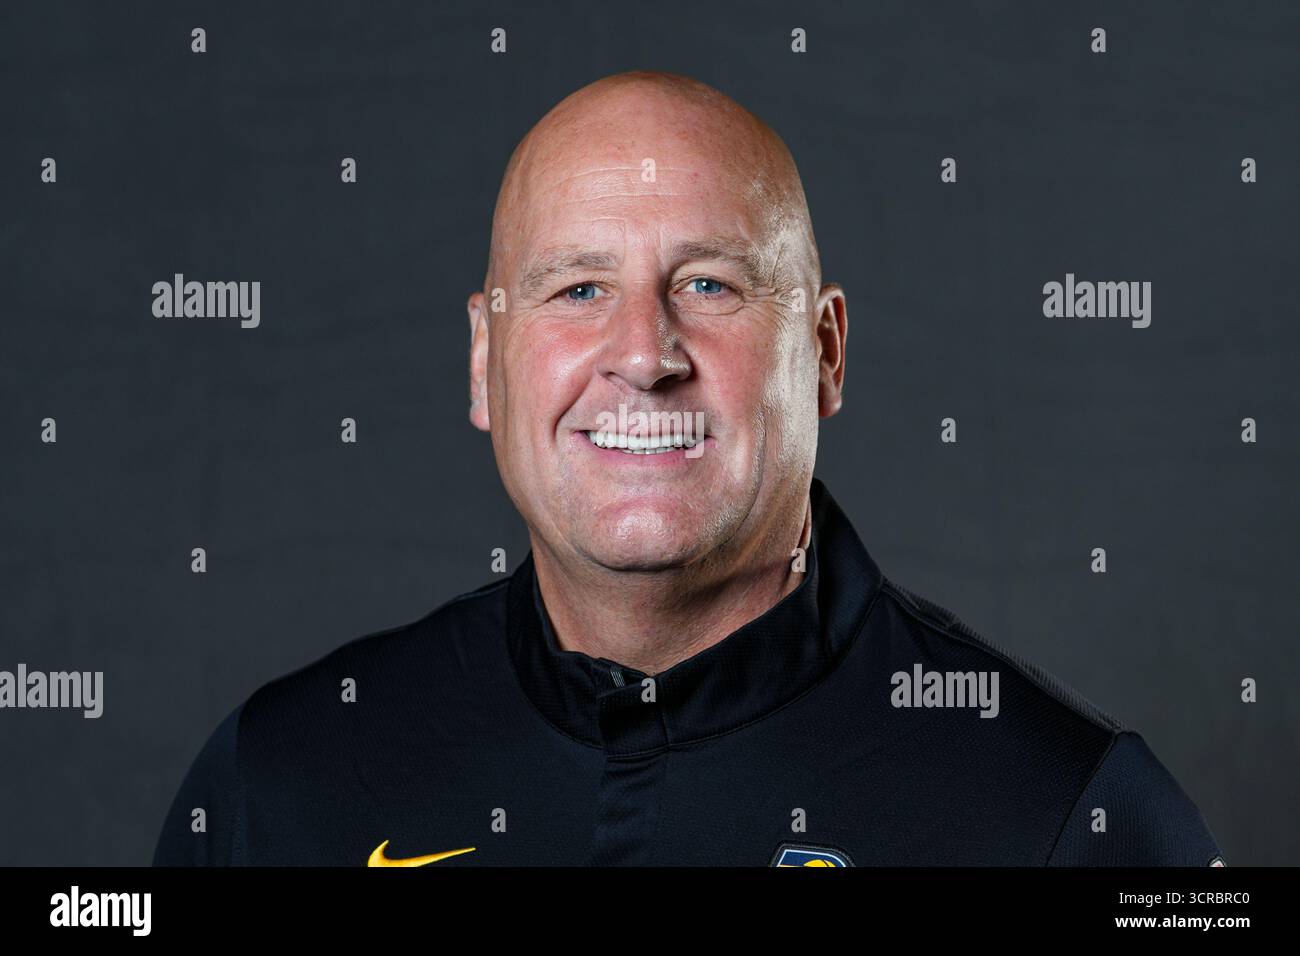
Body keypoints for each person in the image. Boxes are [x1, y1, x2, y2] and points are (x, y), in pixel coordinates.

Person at [153, 70, 1221, 867]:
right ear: (485, 361)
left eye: (709, 285)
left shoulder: (1070, 812)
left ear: (825, 351)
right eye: (577, 288)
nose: (642, 353)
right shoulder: (279, 779)